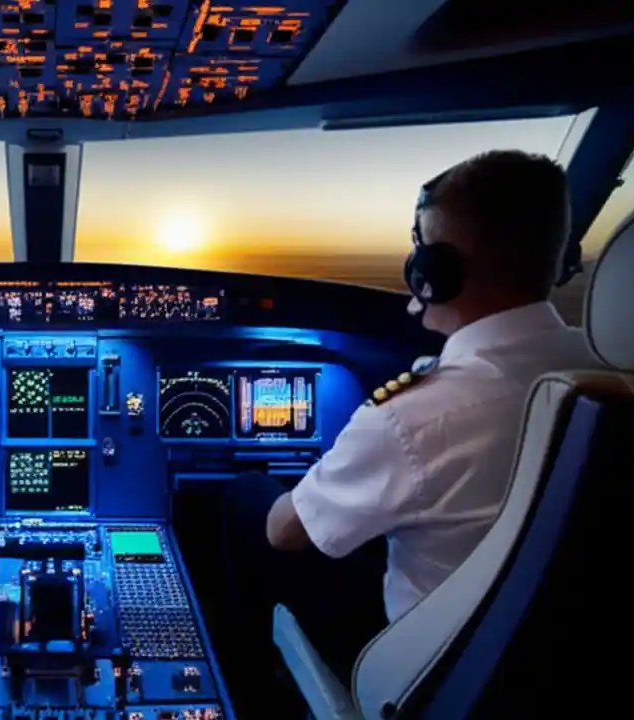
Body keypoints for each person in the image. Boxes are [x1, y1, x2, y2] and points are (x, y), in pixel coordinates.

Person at [222, 150, 602, 689]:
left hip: (430, 672)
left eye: (424, 252)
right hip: (547, 654)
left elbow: (287, 533)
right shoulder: (605, 378)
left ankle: (248, 684)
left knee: (248, 501)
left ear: (436, 274)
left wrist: (307, 488)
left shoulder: (417, 417)